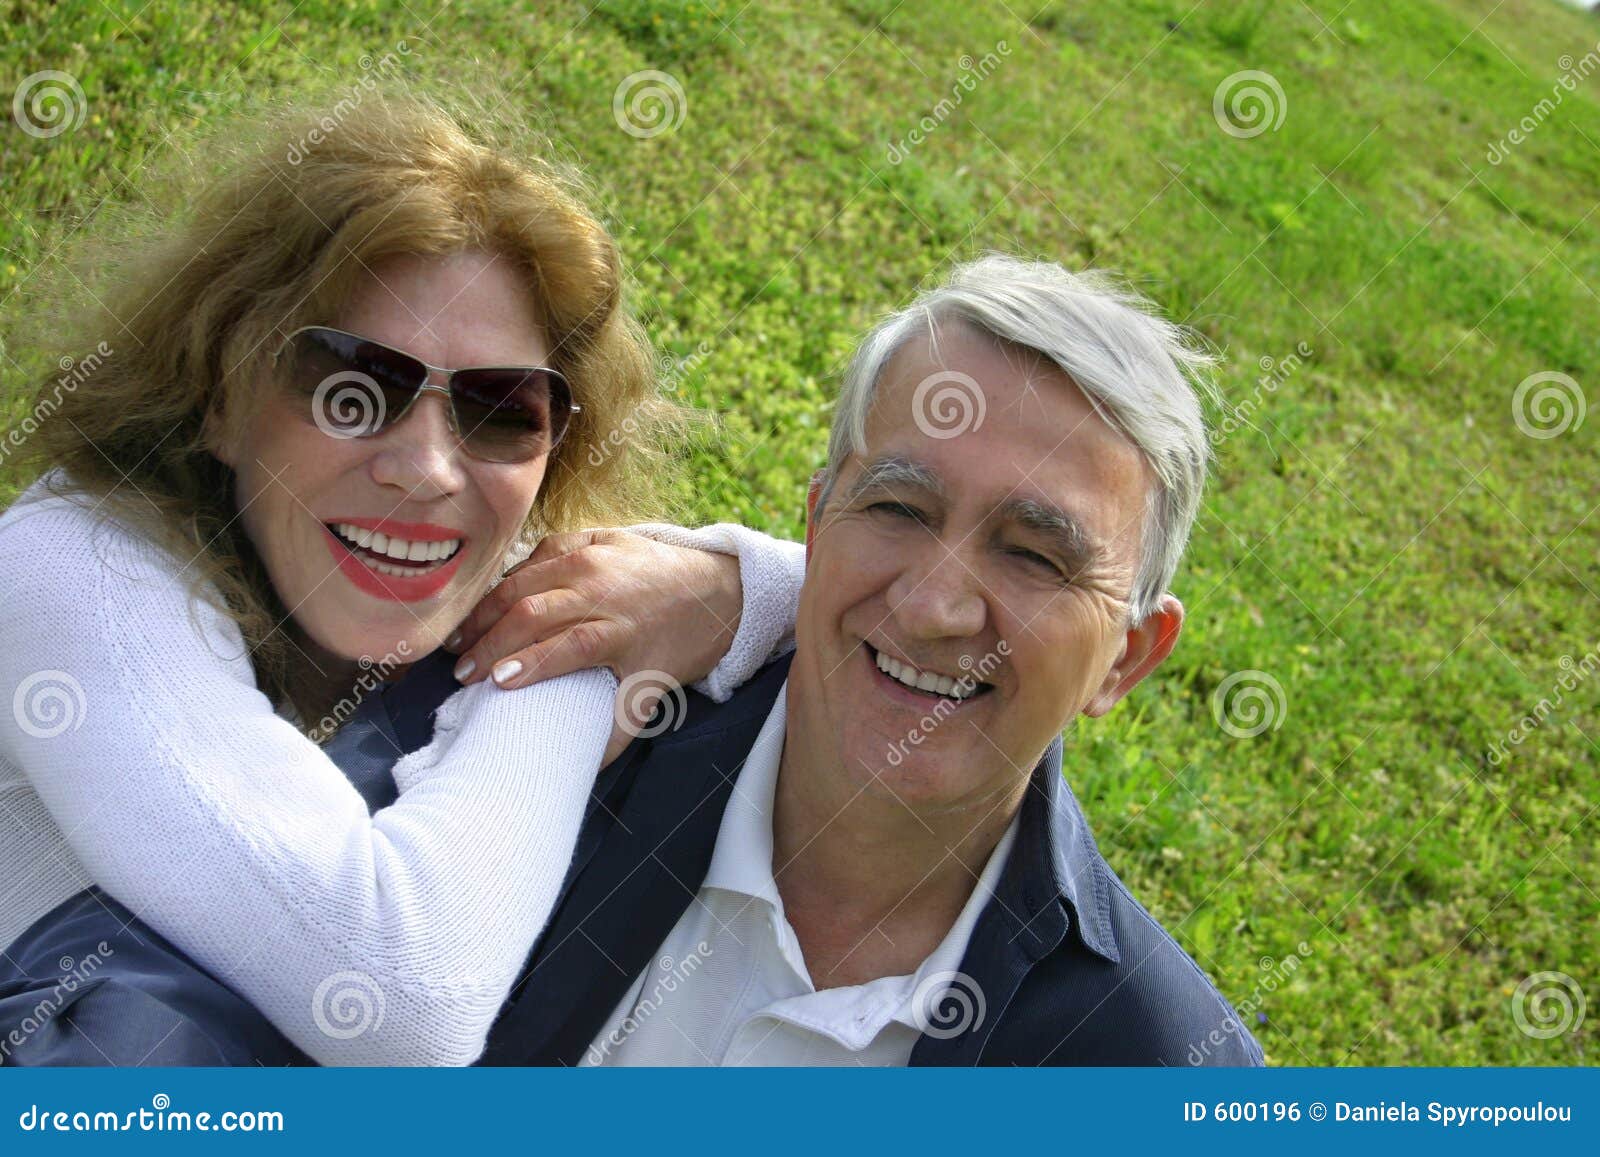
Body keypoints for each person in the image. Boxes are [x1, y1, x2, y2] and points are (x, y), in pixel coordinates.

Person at [0, 91, 804, 1067]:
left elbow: (899, 602)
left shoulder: (495, 579)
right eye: (355, 384)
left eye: (501, 407)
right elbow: (395, 997)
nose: (427, 469)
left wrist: (718, 586)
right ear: (218, 396)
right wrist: (574, 666)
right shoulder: (65, 567)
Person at [474, 253, 1266, 1066]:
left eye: (1034, 556)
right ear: (817, 525)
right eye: (896, 506)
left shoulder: (1161, 1071)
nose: (931, 609)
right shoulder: (555, 732)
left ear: (1125, 659)